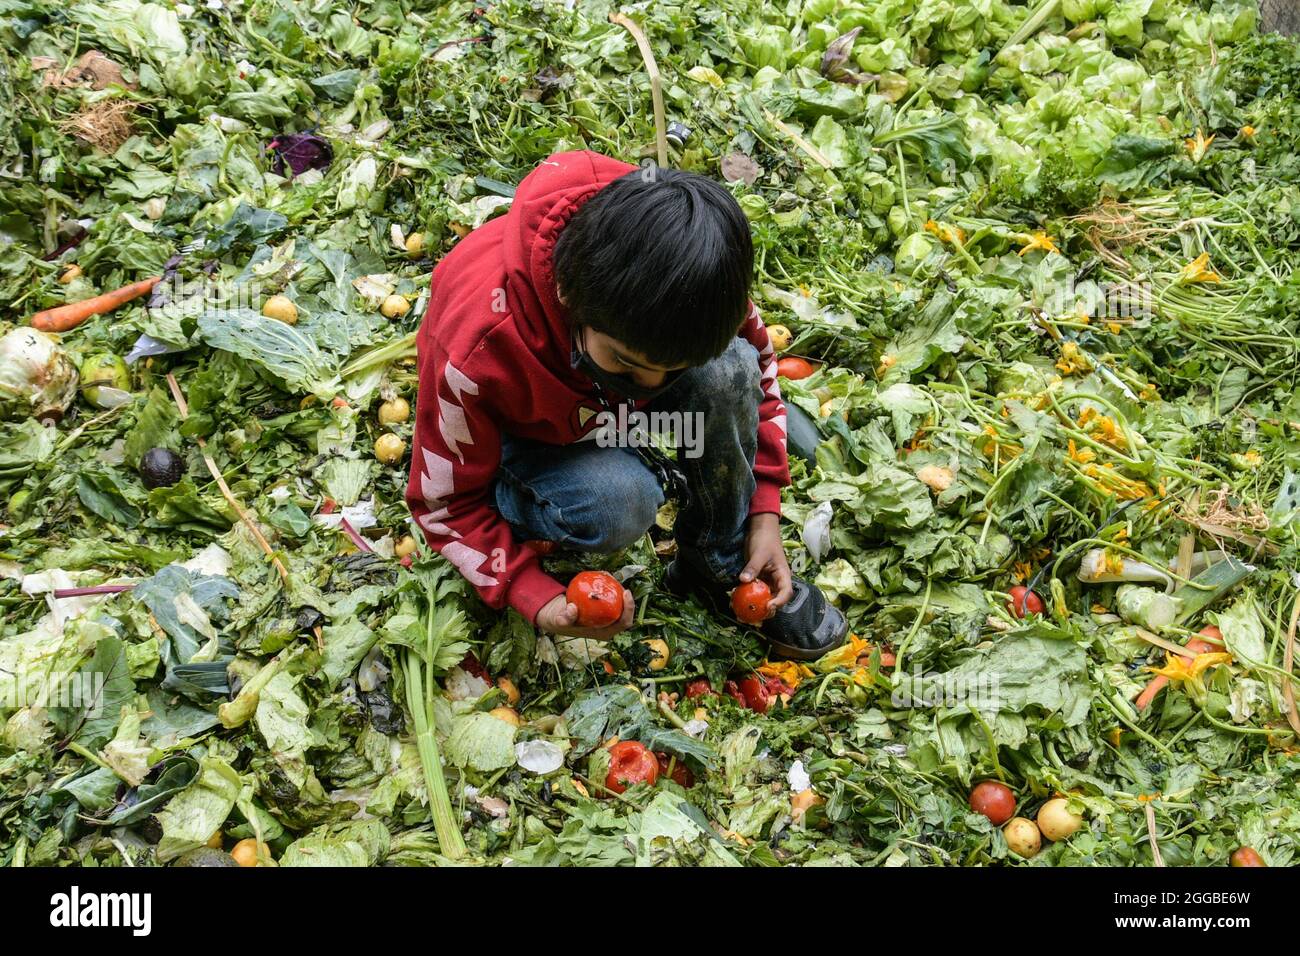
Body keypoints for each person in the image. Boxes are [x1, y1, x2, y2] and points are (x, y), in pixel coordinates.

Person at [405, 150, 846, 660]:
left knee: (727, 368)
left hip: (598, 404)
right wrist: (532, 594)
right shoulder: (480, 348)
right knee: (619, 501)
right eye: (628, 363)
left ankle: (718, 559)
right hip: (523, 427)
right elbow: (443, 505)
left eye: (673, 371)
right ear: (570, 294)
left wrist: (764, 514)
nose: (655, 385)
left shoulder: (693, 284)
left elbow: (761, 374)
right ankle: (522, 492)